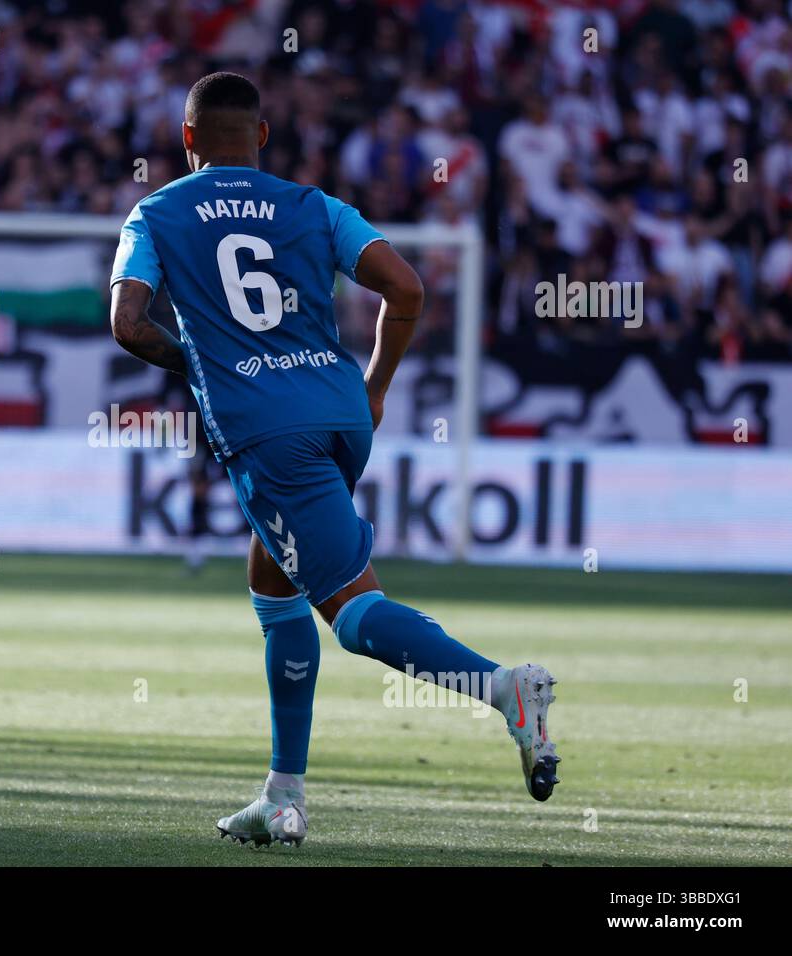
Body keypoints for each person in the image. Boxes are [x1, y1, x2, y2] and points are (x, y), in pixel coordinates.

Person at [108, 72, 560, 848]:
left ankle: (504, 689)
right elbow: (405, 287)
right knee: (272, 586)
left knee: (350, 614)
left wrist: (199, 360)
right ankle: (282, 797)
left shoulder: (155, 211)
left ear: (186, 141)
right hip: (341, 411)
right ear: (263, 136)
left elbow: (126, 322)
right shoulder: (315, 206)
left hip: (265, 431)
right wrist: (376, 387)